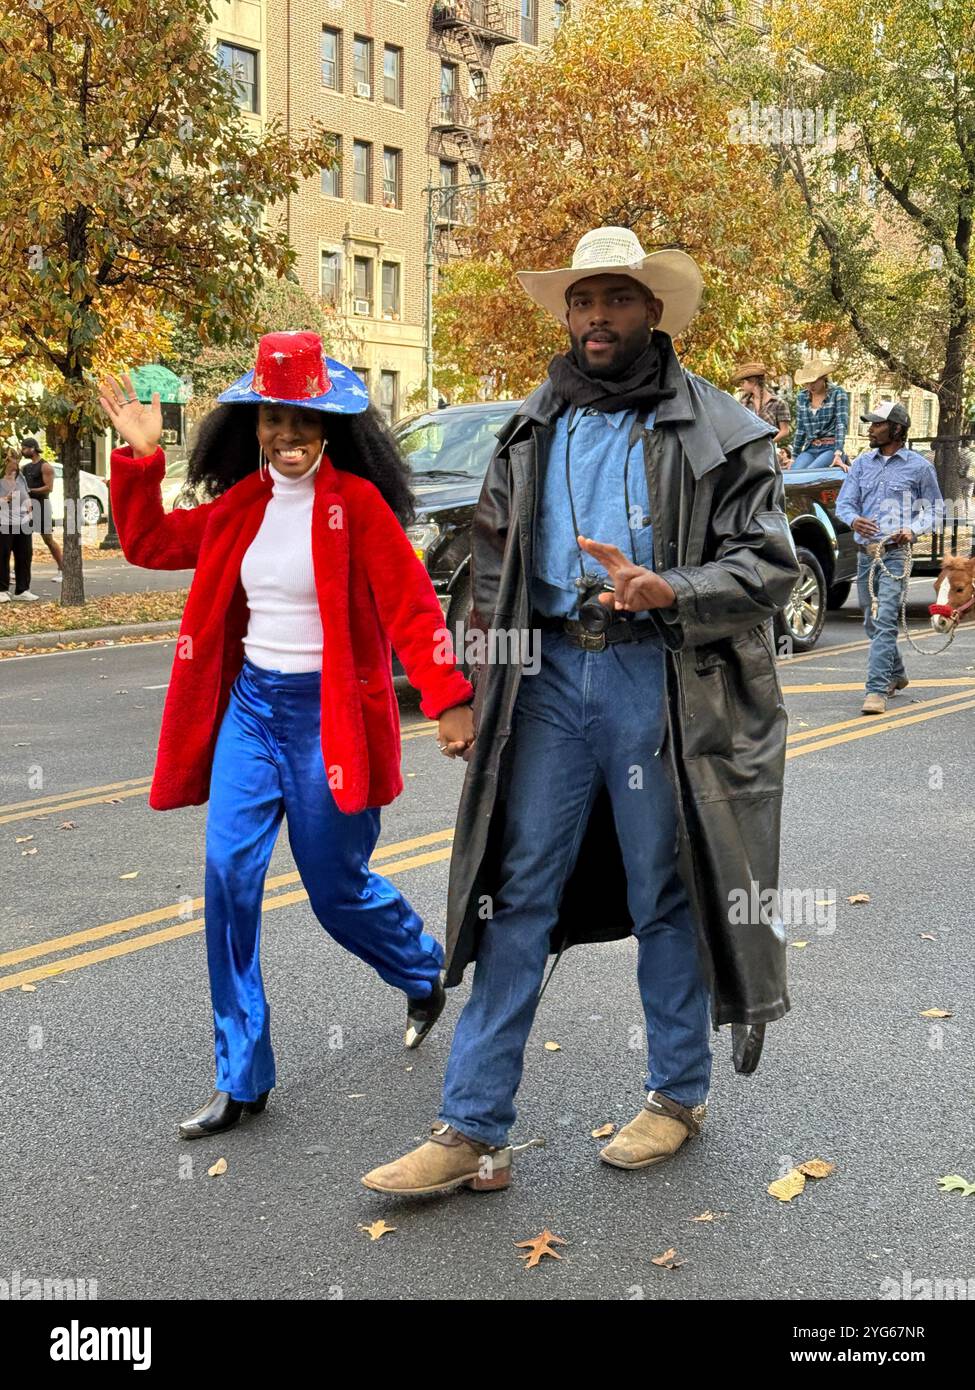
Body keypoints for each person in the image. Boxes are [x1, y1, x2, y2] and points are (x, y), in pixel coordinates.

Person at [362, 226, 799, 1196]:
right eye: (583, 301)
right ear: (566, 315)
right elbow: (489, 573)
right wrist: (473, 691)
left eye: (616, 298)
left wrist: (670, 588)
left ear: (652, 311)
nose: (596, 317)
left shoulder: (721, 430)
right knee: (515, 893)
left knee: (666, 890)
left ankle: (675, 1095)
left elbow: (769, 565)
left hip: (661, 680)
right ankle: (473, 1127)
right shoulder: (530, 427)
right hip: (549, 679)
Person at [99, 332, 475, 1140]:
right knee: (227, 879)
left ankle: (419, 969)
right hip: (251, 712)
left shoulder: (358, 507)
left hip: (329, 719)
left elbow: (413, 610)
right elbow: (151, 543)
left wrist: (447, 698)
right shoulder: (242, 505)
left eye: (304, 420)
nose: (289, 435)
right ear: (255, 426)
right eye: (274, 420)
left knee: (337, 890)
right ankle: (240, 1073)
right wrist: (140, 459)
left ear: (331, 427)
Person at [835, 401, 943, 715]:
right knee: (871, 621)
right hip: (865, 556)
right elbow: (844, 505)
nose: (870, 429)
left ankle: (877, 689)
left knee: (884, 621)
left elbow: (936, 508)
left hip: (895, 556)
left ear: (896, 429)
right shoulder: (861, 464)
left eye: (877, 424)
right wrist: (854, 520)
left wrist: (913, 529)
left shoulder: (919, 467)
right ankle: (896, 673)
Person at [791, 359, 850, 471]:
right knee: (793, 474)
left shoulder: (837, 393)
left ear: (823, 378)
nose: (810, 386)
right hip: (810, 447)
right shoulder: (802, 397)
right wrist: (794, 457)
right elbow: (800, 429)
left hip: (831, 448)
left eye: (814, 381)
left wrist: (838, 452)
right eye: (807, 383)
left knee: (811, 473)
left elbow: (841, 424)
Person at [19, 437, 63, 581]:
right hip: (28, 507)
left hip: (42, 506)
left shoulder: (45, 466)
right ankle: (18, 570)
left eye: (24, 448)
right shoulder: (25, 468)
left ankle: (63, 570)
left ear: (32, 448)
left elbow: (49, 488)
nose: (22, 451)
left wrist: (30, 491)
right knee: (22, 540)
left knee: (48, 539)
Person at [0, 448, 40, 602]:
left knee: (24, 555)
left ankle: (22, 590)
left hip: (23, 521)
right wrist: (6, 499)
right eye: (13, 460)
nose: (16, 463)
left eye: (17, 460)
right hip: (4, 522)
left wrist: (29, 505)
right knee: (3, 555)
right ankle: (2, 590)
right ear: (5, 461)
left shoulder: (20, 476)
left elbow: (25, 492)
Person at [732, 362, 791, 445]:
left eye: (743, 383)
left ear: (753, 381)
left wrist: (769, 444)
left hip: (768, 449)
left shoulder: (778, 403)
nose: (741, 386)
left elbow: (785, 431)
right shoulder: (744, 402)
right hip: (747, 447)